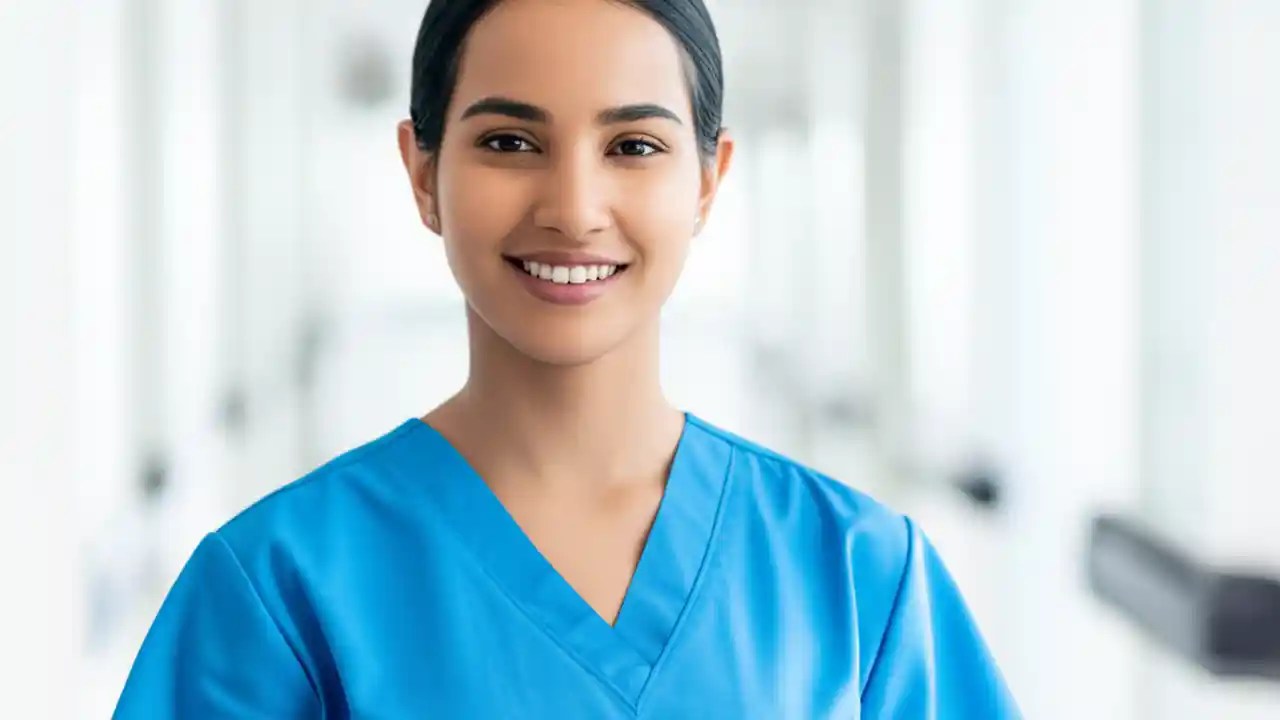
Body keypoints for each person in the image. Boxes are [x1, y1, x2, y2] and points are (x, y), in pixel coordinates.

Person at [114, 0, 1020, 716]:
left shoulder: (860, 576)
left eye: (634, 146)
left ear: (707, 181)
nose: (575, 206)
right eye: (510, 142)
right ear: (422, 172)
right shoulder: (278, 588)